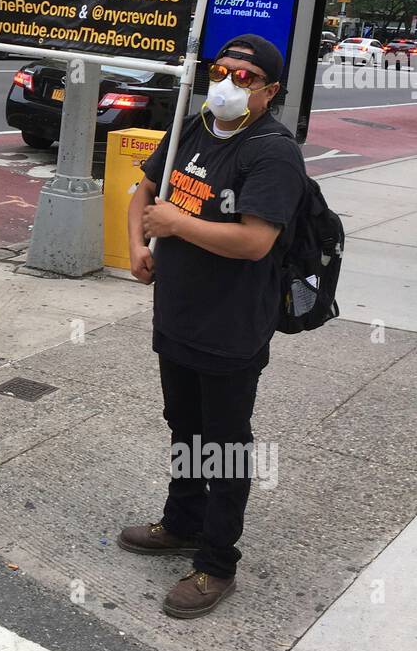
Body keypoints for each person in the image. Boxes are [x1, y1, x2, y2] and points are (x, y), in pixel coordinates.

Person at [120, 34, 307, 619]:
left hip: (231, 326)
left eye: (245, 77)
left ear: (270, 91)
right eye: (222, 71)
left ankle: (217, 563)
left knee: (224, 445)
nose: (228, 84)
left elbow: (255, 241)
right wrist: (137, 246)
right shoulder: (193, 127)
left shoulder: (273, 151)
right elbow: (143, 192)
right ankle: (181, 523)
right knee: (184, 427)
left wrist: (174, 224)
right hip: (176, 312)